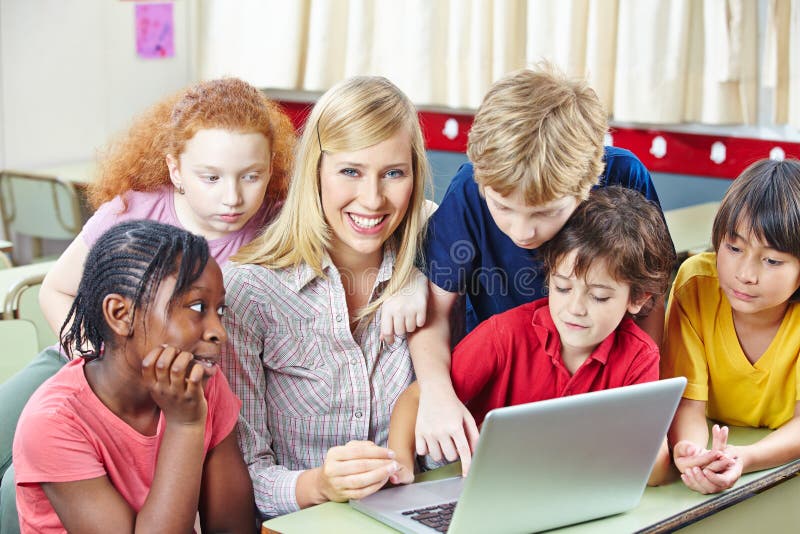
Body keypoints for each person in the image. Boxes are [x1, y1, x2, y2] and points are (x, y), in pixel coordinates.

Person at [0, 78, 295, 501]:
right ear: (175, 168)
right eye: (210, 177)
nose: (232, 197)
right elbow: (57, 290)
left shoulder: (278, 227)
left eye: (251, 176)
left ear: (272, 166)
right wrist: (97, 364)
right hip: (86, 364)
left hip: (169, 397)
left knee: (21, 485)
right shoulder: (133, 208)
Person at [408, 64, 668, 473]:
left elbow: (650, 300)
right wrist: (438, 392)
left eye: (547, 212)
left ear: (589, 182)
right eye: (503, 208)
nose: (522, 230)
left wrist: (646, 405)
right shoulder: (468, 191)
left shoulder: (623, 176)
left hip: (594, 389)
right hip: (503, 385)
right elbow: (436, 310)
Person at [220, 75, 430, 518]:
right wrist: (319, 484)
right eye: (350, 171)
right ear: (315, 171)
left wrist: (420, 277)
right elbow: (241, 475)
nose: (372, 199)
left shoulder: (435, 262)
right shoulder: (251, 290)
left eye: (393, 173)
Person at [388, 187, 676, 485]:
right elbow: (415, 399)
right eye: (562, 288)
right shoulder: (505, 336)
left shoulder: (639, 357)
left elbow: (655, 471)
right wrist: (401, 470)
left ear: (637, 298)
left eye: (599, 297)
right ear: (549, 274)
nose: (575, 309)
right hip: (483, 487)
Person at [13, 220, 255, 533]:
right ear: (120, 314)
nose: (218, 332)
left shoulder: (199, 383)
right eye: (196, 307)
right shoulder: (54, 422)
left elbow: (231, 528)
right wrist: (185, 425)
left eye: (218, 310)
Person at [662, 158, 800, 494]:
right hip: (712, 434)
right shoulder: (696, 285)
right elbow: (688, 405)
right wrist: (697, 456)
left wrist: (745, 457)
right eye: (734, 248)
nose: (745, 274)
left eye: (772, 260)